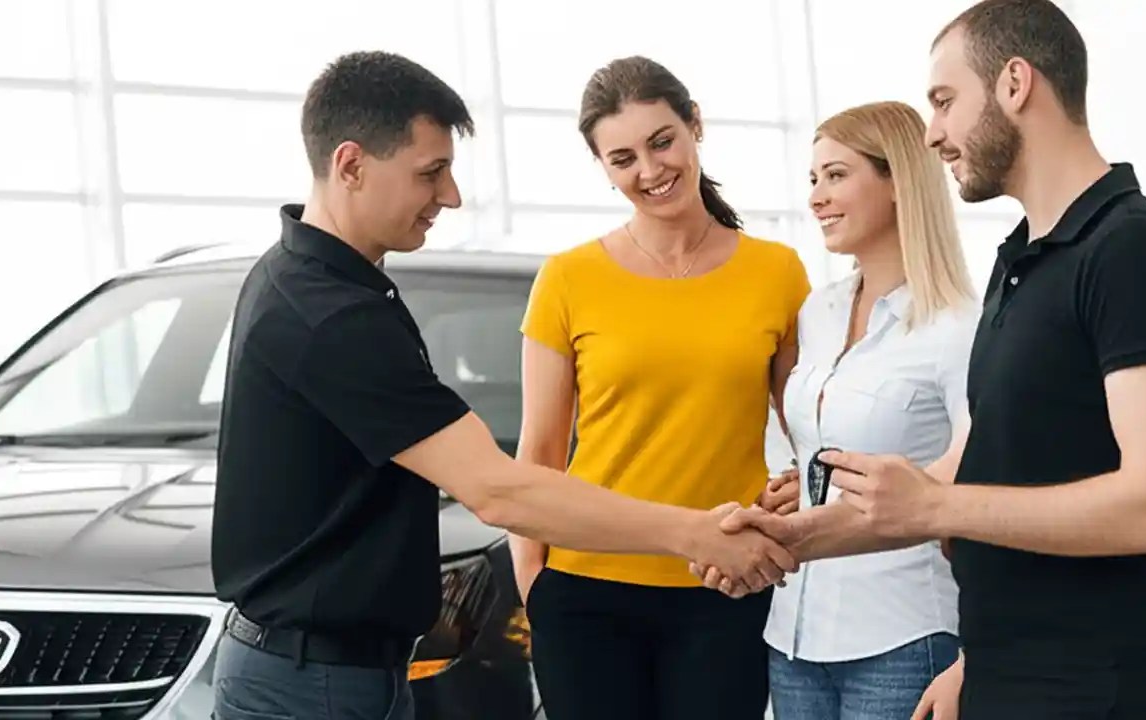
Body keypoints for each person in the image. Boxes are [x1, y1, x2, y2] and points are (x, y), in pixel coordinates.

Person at [209, 51, 797, 720]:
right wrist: (691, 534)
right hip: (316, 679)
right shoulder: (329, 314)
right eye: (430, 173)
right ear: (350, 165)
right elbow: (497, 486)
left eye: (662, 141)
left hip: (336, 670)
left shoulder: (316, 282)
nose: (451, 196)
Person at [705, 1, 1146, 718]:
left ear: (1015, 83)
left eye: (945, 101)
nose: (934, 133)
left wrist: (938, 506)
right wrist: (790, 539)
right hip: (1009, 673)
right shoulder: (1020, 265)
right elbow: (954, 474)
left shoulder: (1135, 251)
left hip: (1099, 687)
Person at [506, 55, 811, 720]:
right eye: (622, 158)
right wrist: (537, 588)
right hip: (584, 594)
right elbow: (540, 454)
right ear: (604, 168)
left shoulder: (777, 273)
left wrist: (797, 487)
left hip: (723, 588)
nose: (649, 171)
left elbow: (811, 429)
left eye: (661, 141)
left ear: (695, 125)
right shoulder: (567, 278)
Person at [754, 100, 977, 720]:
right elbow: (824, 443)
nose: (817, 197)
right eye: (813, 179)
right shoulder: (817, 312)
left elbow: (983, 485)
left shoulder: (958, 326)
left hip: (903, 637)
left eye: (837, 175)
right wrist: (800, 487)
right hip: (793, 636)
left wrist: (975, 654)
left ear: (898, 181)